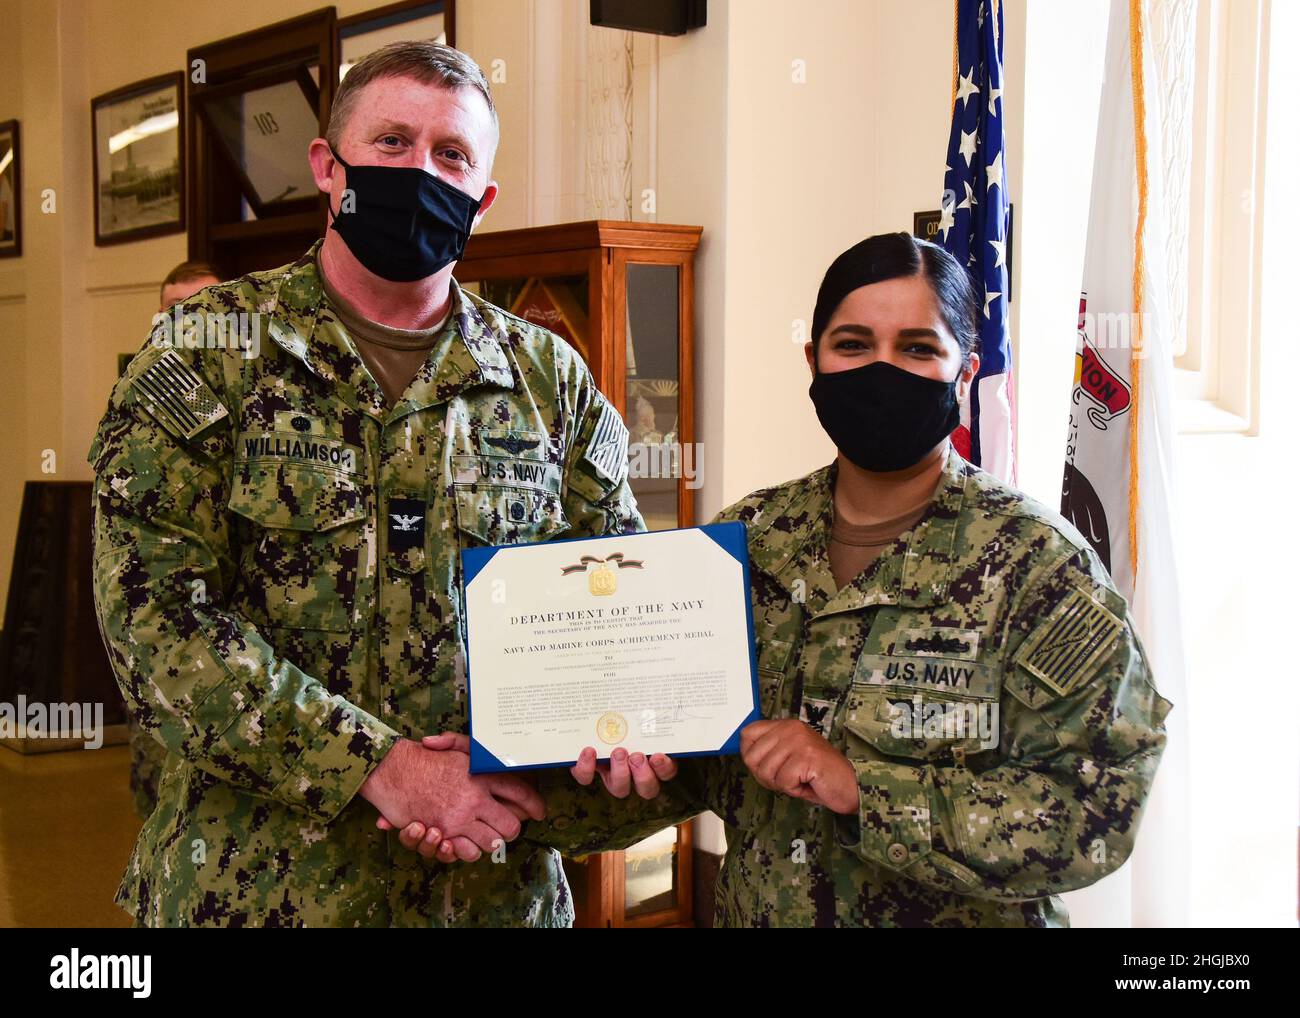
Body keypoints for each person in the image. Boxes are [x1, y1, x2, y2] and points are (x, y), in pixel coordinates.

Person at [89, 41, 681, 928]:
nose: (419, 170)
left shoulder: (549, 382)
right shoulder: (209, 351)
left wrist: (593, 750)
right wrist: (384, 769)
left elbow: (618, 619)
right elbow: (154, 624)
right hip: (254, 894)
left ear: (481, 201)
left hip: (489, 894)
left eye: (451, 156)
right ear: (329, 168)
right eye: (393, 142)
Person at [542, 232, 1173, 926]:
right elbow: (693, 760)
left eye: (917, 348)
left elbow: (1096, 806)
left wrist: (863, 789)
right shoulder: (743, 542)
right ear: (813, 362)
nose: (882, 370)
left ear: (965, 374)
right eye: (853, 345)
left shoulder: (1037, 565)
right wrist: (611, 762)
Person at [121, 260, 224, 823]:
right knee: (157, 787)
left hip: (227, 636)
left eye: (200, 310)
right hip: (159, 624)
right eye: (175, 311)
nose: (188, 323)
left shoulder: (241, 390)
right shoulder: (143, 387)